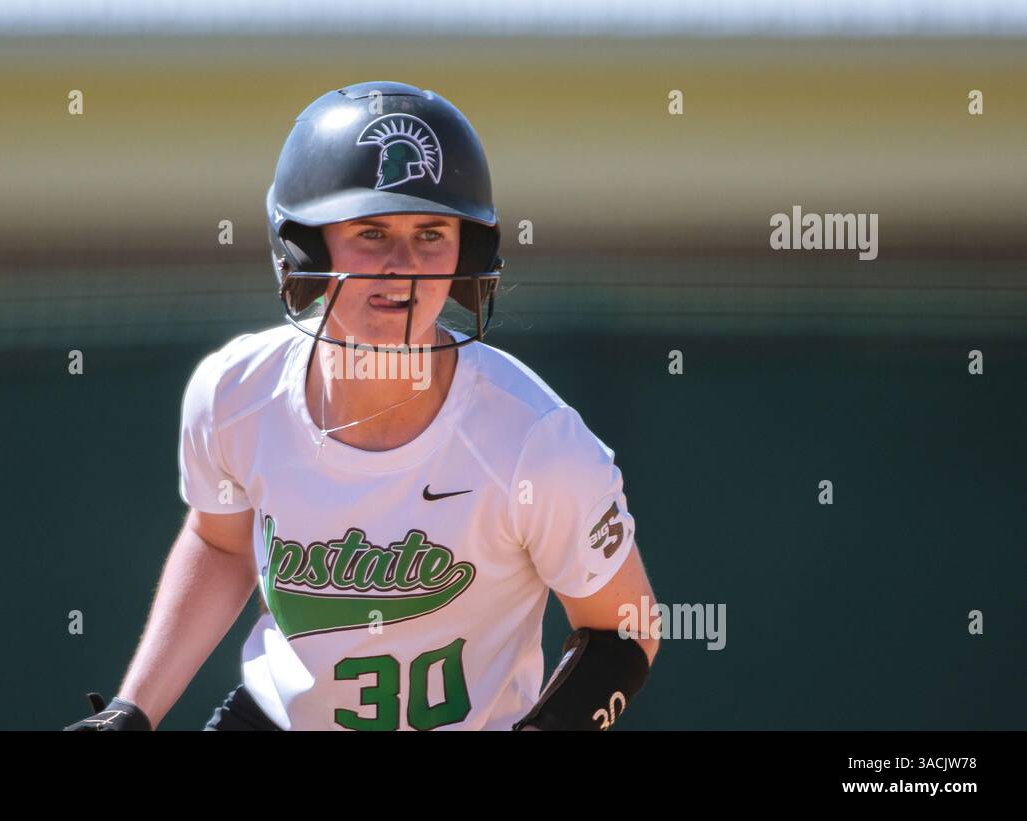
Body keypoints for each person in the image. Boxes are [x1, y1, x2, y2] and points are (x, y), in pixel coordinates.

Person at [66, 81, 659, 732]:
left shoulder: (532, 441)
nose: (403, 266)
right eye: (371, 231)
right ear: (306, 248)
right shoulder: (236, 393)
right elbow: (221, 543)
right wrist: (134, 707)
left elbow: (625, 630)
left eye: (431, 233)